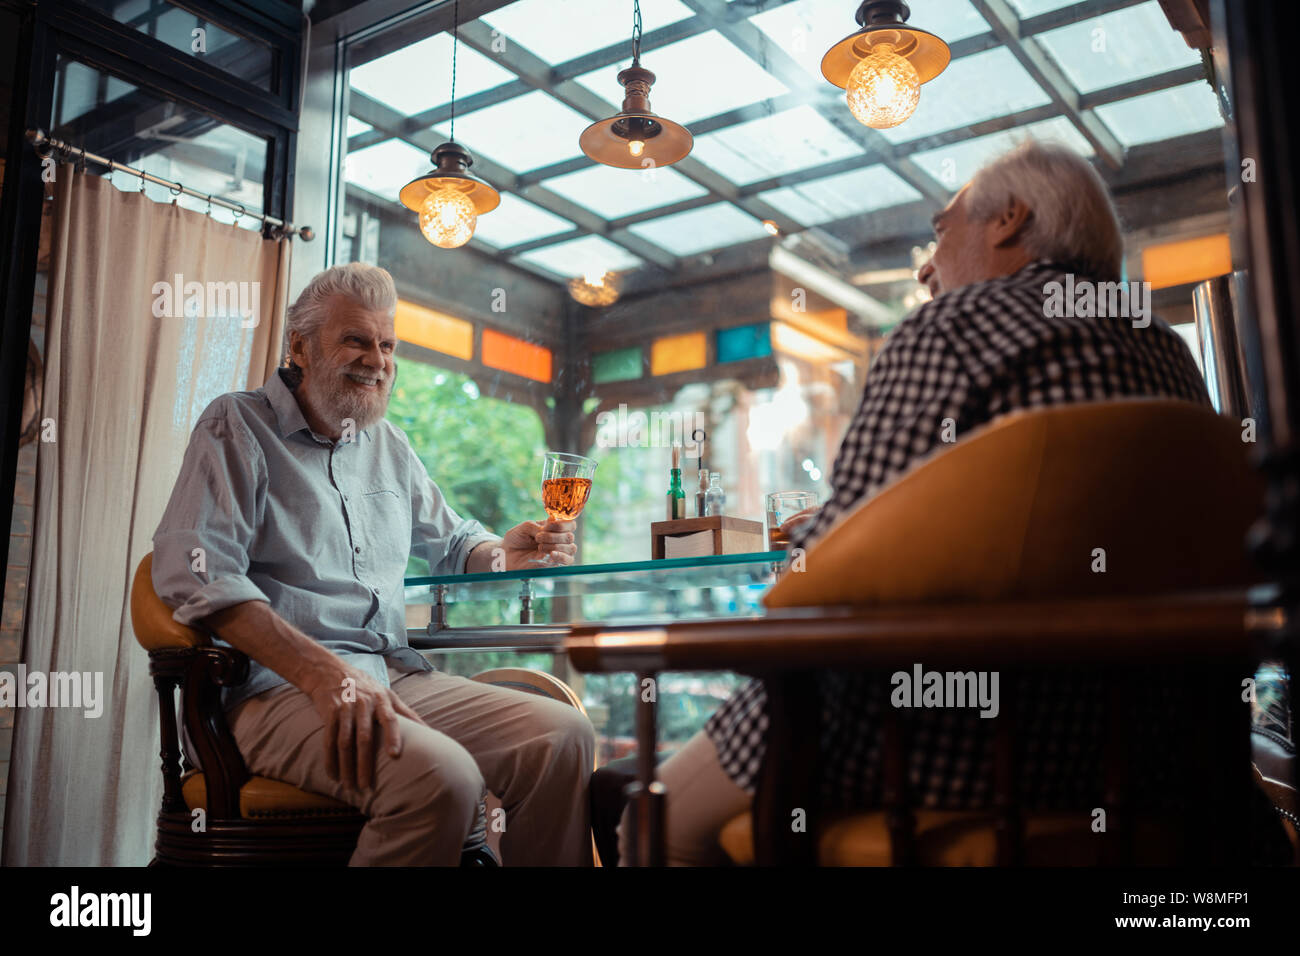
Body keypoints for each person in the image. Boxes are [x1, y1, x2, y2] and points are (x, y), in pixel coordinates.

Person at [616, 139, 1218, 865]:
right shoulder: (1170, 353)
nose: (927, 265)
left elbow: (828, 589)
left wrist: (822, 545)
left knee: (653, 823)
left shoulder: (953, 326)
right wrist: (867, 528)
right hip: (1148, 760)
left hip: (941, 744)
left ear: (1009, 219)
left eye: (940, 229)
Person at [153, 262, 596, 866]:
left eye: (387, 345)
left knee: (563, 736)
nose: (377, 360)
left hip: (392, 675)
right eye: (356, 340)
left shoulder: (390, 445)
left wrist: (502, 552)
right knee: (444, 779)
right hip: (274, 691)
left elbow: (456, 540)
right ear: (300, 347)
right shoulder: (237, 425)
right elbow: (197, 573)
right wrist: (323, 675)